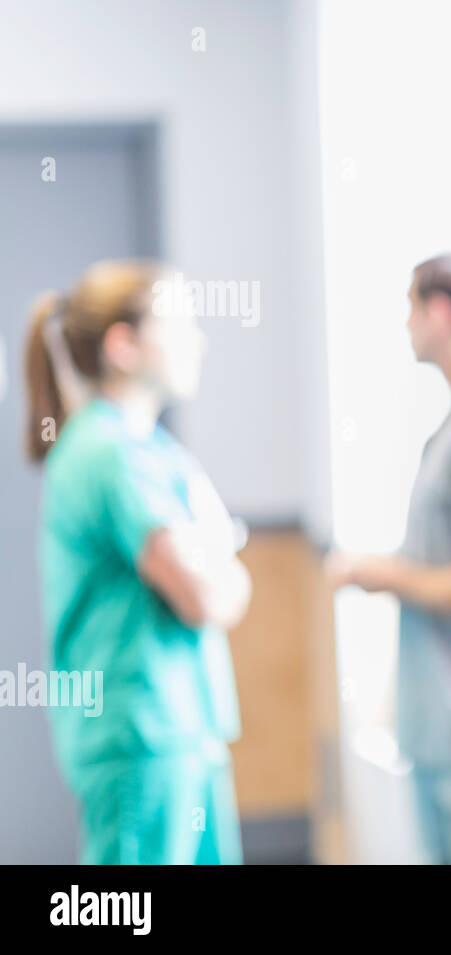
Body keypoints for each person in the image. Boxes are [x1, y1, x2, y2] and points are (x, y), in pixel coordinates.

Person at [23, 260, 249, 864]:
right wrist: (225, 566)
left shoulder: (148, 450)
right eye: (178, 323)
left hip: (178, 729)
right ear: (122, 345)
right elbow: (207, 595)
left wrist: (222, 568)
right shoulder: (110, 455)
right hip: (142, 733)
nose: (198, 339)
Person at [326, 252, 451, 865]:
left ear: (438, 311)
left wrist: (388, 576)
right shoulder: (448, 434)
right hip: (434, 729)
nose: (406, 323)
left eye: (410, 306)